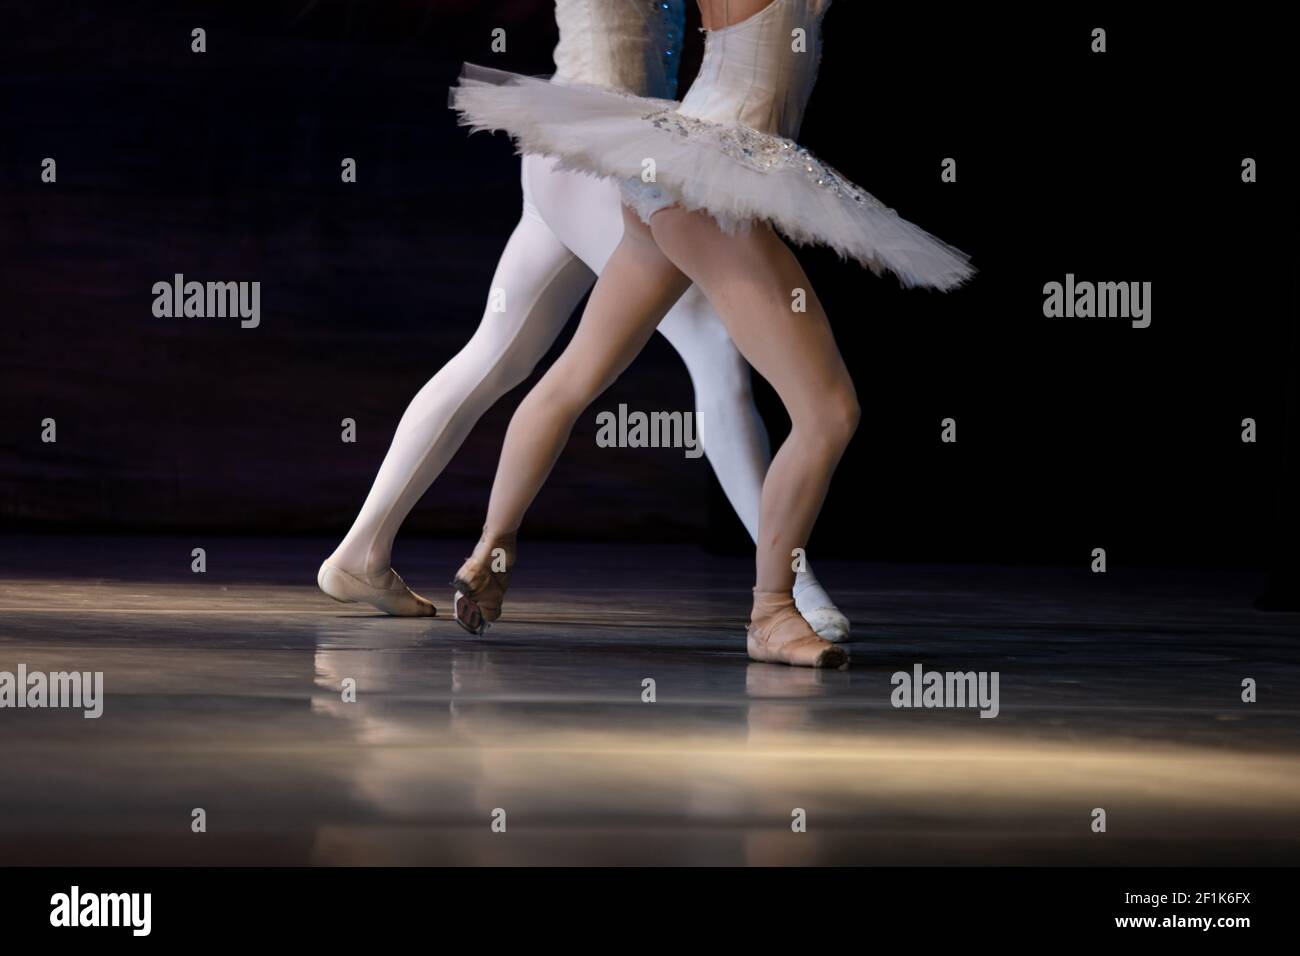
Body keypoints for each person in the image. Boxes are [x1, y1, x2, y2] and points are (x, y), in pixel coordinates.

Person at [448, 0, 974, 667]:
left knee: (575, 375)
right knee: (829, 411)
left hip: (674, 175)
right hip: (715, 182)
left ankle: (494, 545)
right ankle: (772, 611)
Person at [318, 0, 852, 643]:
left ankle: (364, 552)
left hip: (578, 148)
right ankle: (788, 593)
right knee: (712, 343)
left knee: (500, 354)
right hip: (606, 148)